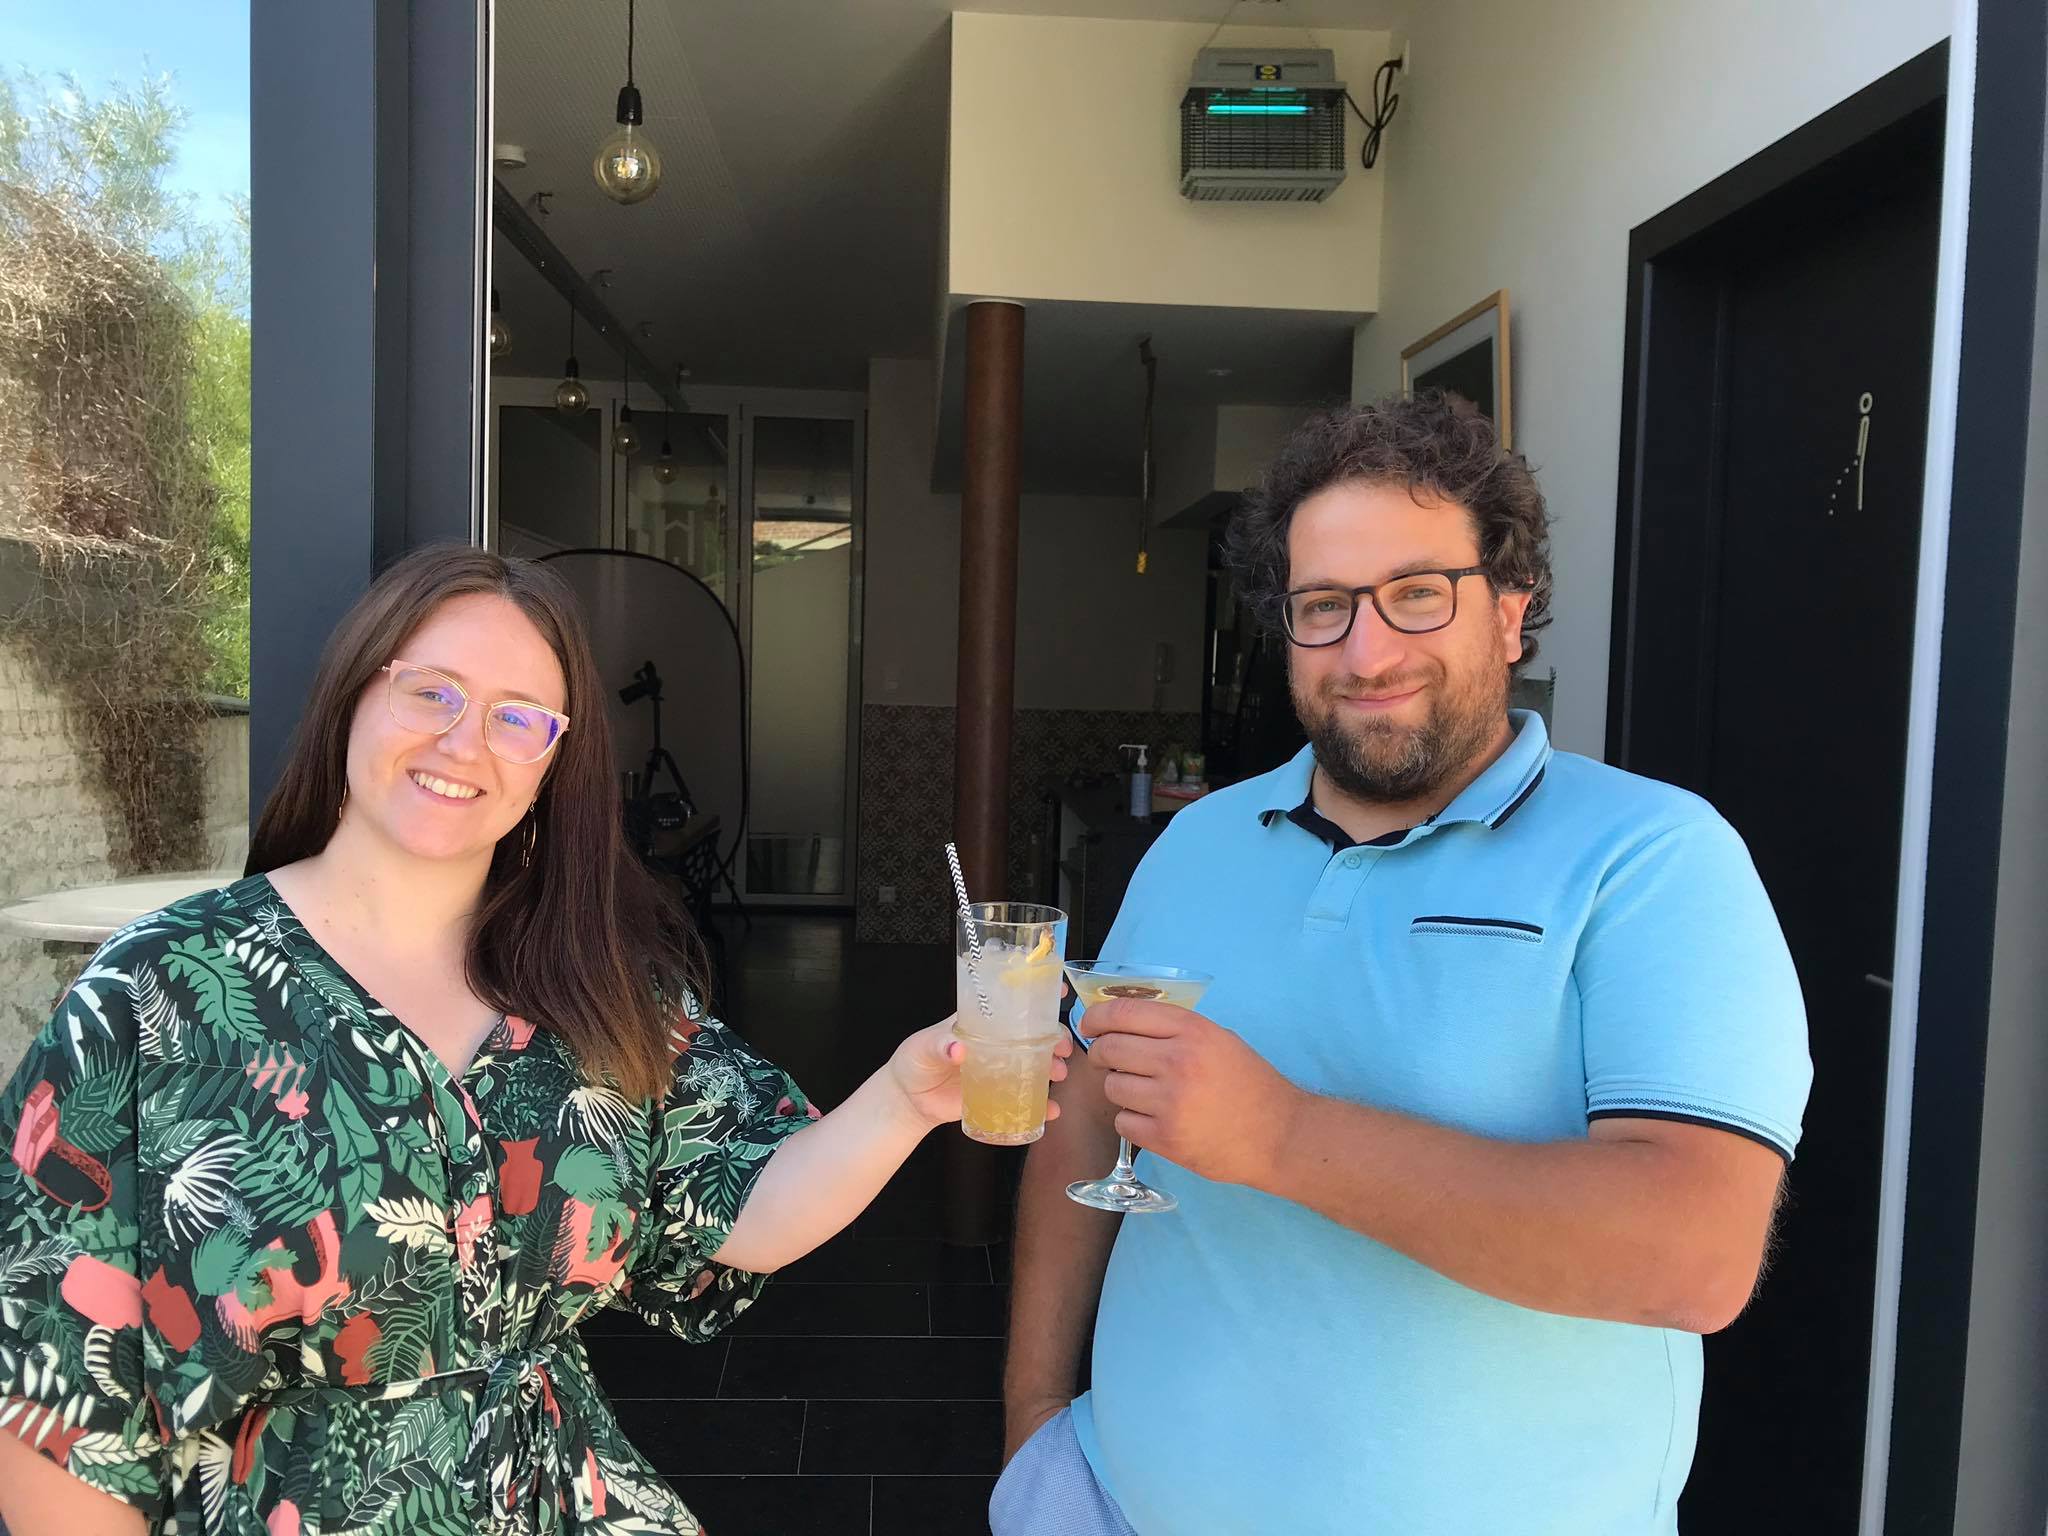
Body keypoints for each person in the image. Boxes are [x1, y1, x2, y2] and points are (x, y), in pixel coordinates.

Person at [0, 545, 1068, 1535]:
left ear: (555, 765)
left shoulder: (589, 981)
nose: (466, 741)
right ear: (354, 693)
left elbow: (732, 1211)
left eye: (521, 719)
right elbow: (49, 1406)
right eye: (432, 691)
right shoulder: (162, 993)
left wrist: (905, 1097)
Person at [996, 393, 1812, 1535]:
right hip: (1118, 1501)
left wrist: (1277, 1136)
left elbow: (1693, 1253)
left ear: (1511, 609)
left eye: (1416, 593)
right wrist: (1035, 1419)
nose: (1366, 652)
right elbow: (1084, 1120)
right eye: (1322, 606)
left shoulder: (1653, 857)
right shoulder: (1194, 843)